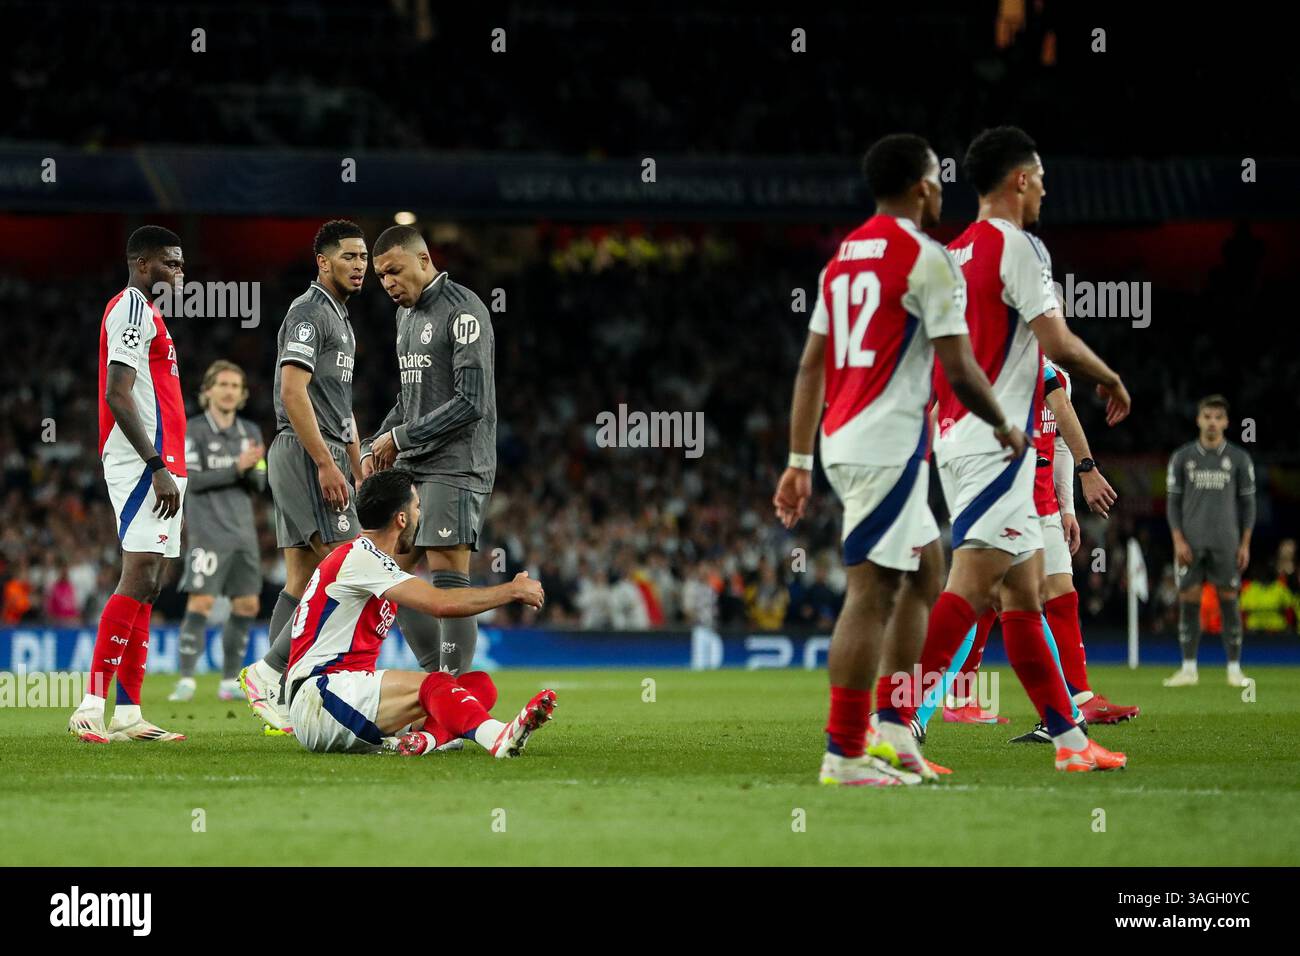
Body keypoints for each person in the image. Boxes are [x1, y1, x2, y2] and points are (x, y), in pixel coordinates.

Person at [773, 133, 1026, 786]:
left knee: (926, 569)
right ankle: (844, 751)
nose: (945, 187)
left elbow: (809, 368)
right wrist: (1003, 422)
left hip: (850, 439)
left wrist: (800, 459)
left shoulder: (842, 260)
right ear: (921, 185)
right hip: (883, 445)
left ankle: (892, 729)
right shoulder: (927, 259)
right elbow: (961, 365)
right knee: (871, 591)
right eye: (939, 176)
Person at [882, 127, 1132, 773]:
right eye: (1041, 177)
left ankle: (1071, 743)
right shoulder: (1018, 246)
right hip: (996, 441)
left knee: (1020, 595)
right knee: (970, 582)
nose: (1045, 189)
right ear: (1020, 179)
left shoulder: (954, 252)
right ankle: (893, 720)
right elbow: (1058, 339)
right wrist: (1108, 376)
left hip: (961, 434)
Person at [284, 469, 554, 757]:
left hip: (341, 696)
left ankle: (426, 741)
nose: (421, 515)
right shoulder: (362, 557)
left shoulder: (368, 559)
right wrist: (511, 591)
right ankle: (496, 736)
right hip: (321, 696)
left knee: (478, 686)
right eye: (417, 507)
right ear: (402, 519)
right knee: (436, 685)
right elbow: (440, 603)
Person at [239, 221, 369, 733]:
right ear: (323, 261)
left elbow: (341, 405)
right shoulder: (309, 312)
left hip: (323, 451)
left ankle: (283, 689)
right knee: (350, 569)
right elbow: (294, 393)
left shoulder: (342, 319)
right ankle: (269, 673)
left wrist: (355, 460)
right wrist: (325, 461)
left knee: (300, 579)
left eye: (363, 257)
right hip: (304, 452)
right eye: (350, 256)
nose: (360, 265)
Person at [68, 226, 189, 744]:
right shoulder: (133, 308)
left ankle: (129, 713)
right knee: (137, 574)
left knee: (151, 582)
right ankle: (92, 704)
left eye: (182, 265)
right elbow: (118, 394)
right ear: (142, 264)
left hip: (166, 462)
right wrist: (156, 463)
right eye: (172, 264)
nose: (181, 273)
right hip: (144, 462)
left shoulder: (151, 313)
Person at [363, 225, 498, 682]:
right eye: (381, 277)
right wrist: (374, 441)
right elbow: (410, 400)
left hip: (456, 463)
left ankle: (454, 695)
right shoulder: (405, 317)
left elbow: (470, 401)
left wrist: (398, 439)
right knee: (386, 574)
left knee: (446, 576)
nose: (387, 284)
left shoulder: (464, 311)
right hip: (414, 463)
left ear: (424, 260)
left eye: (394, 272)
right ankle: (434, 685)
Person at [169, 360, 267, 702]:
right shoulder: (192, 430)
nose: (229, 391)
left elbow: (260, 481)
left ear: (242, 395)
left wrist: (254, 467)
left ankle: (228, 682)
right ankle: (186, 680)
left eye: (235, 386)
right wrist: (237, 467)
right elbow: (190, 480)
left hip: (243, 533)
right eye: (222, 384)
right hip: (207, 532)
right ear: (207, 391)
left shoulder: (251, 433)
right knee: (202, 600)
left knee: (247, 605)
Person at [1163, 394, 1257, 687]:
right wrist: (1178, 540)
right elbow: (1173, 504)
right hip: (1190, 542)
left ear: (1227, 422)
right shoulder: (1182, 457)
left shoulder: (1239, 458)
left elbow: (1248, 505)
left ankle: (1234, 669)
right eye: (1207, 416)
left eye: (1218, 417)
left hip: (1226, 542)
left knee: (1229, 601)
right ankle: (1189, 668)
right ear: (1198, 419)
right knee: (1189, 601)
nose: (1212, 422)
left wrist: (1245, 543)